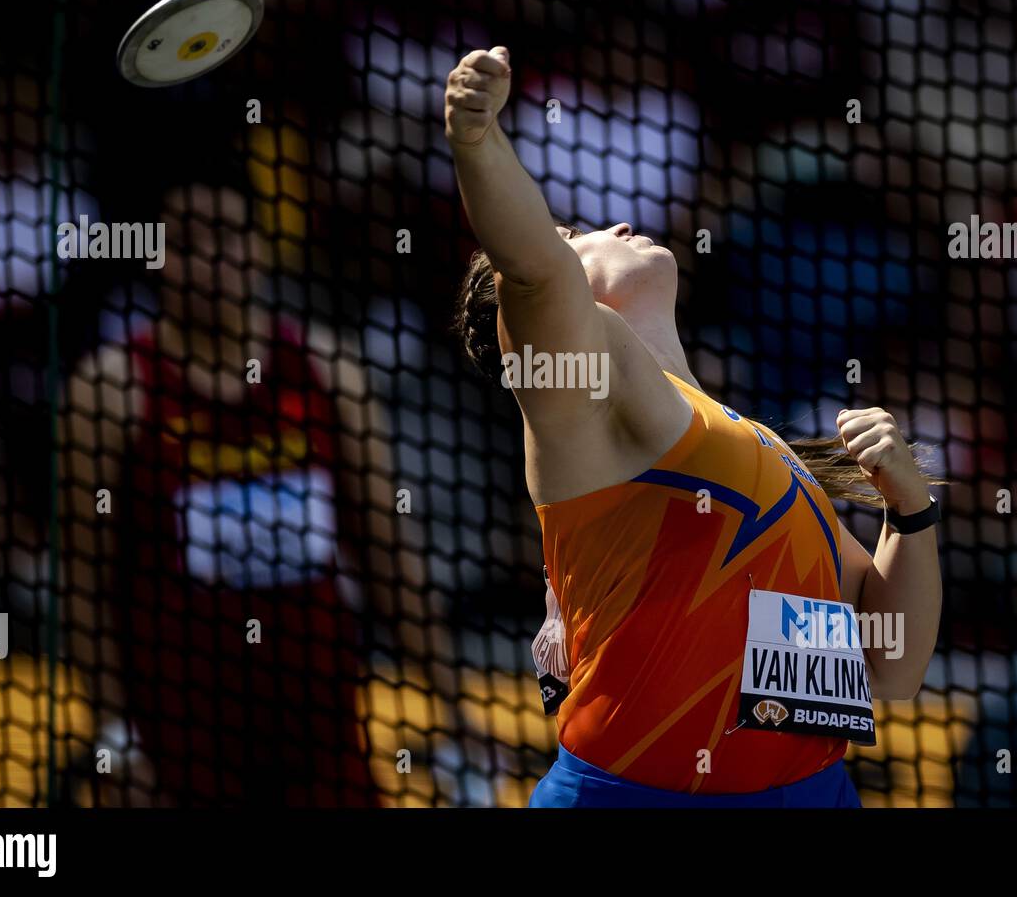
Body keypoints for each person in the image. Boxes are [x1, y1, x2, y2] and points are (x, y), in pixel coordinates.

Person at [445, 47, 944, 807]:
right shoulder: (580, 398)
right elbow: (536, 273)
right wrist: (477, 142)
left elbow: (891, 666)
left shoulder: (756, 446)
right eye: (577, 234)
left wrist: (911, 513)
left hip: (812, 792)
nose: (615, 223)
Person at [59, 182, 387, 806]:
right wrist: (113, 739)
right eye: (185, 241)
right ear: (155, 256)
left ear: (259, 249)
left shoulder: (327, 371)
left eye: (227, 236)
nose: (210, 256)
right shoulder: (111, 388)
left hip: (318, 725)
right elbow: (83, 586)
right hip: (178, 732)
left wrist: (447, 701)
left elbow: (389, 555)